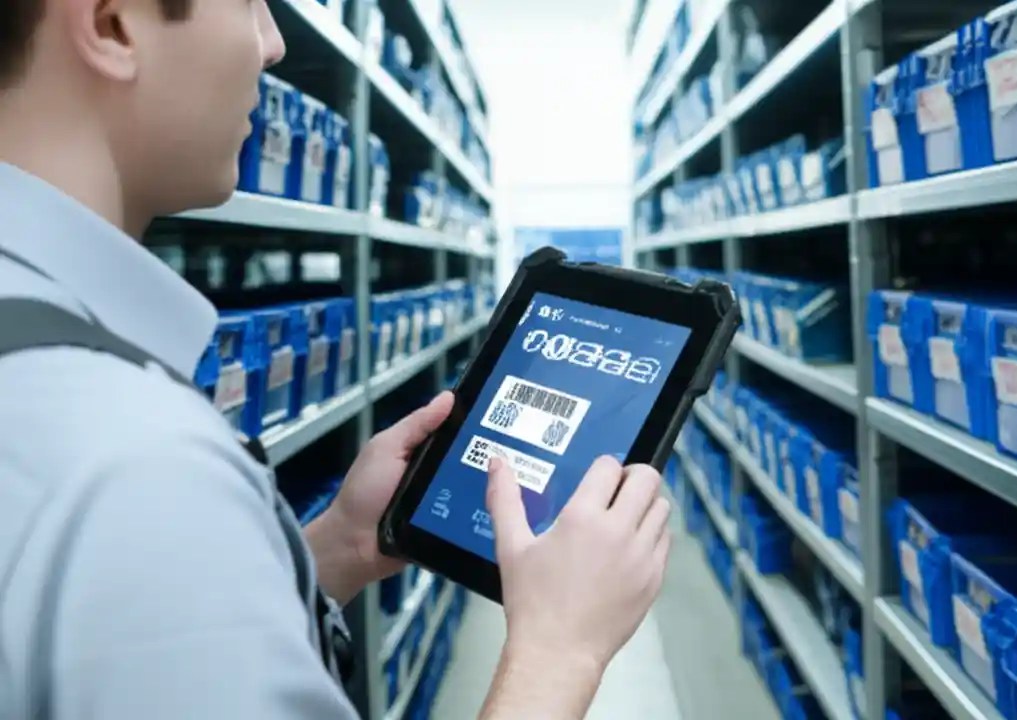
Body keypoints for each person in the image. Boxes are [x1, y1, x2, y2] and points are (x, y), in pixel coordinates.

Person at [0, 1, 672, 719]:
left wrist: (338, 547)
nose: (274, 43)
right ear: (112, 23)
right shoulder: (140, 468)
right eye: (248, 3)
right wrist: (557, 653)